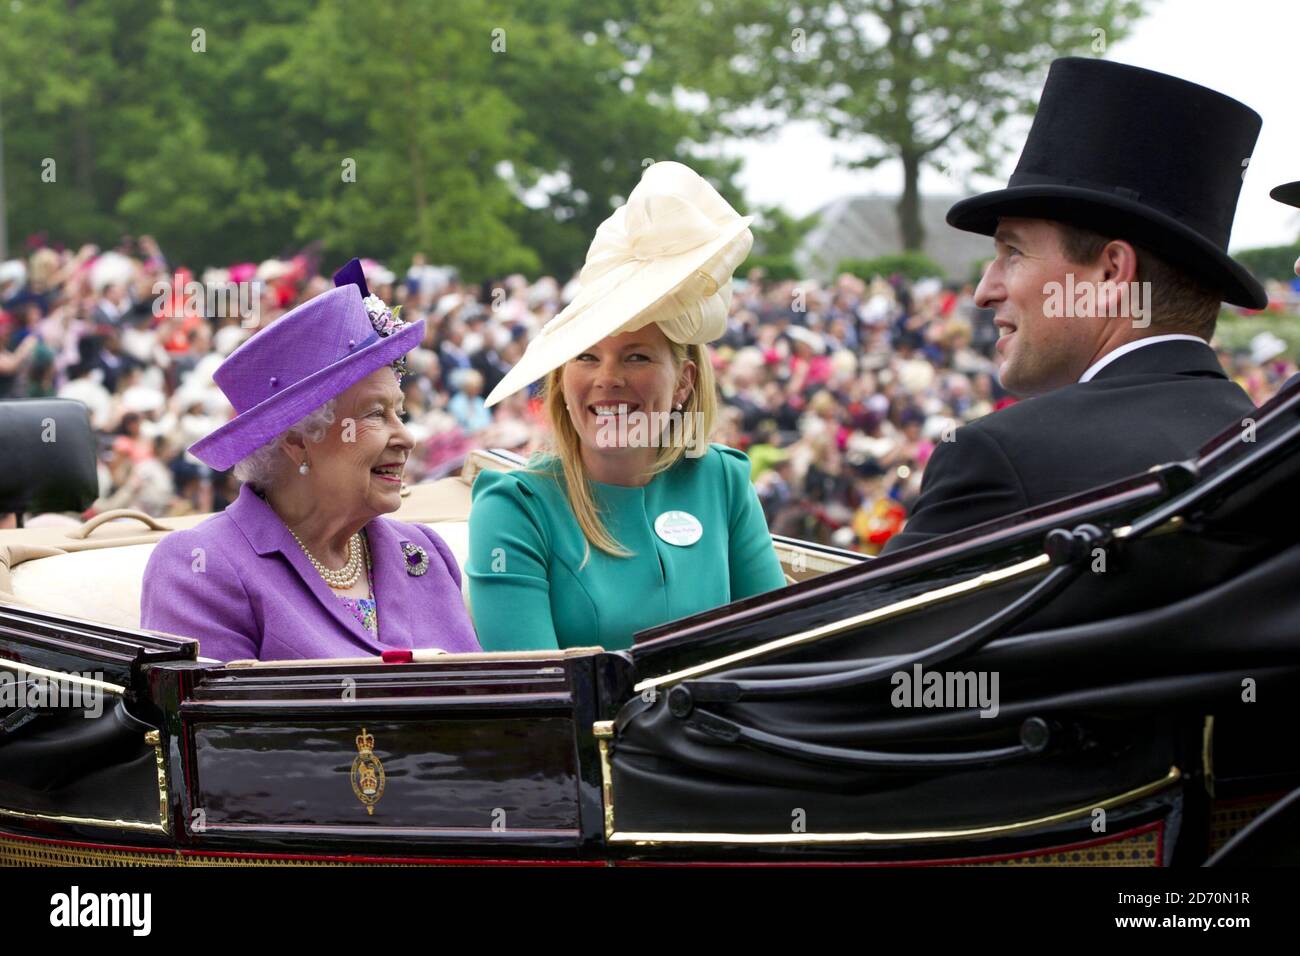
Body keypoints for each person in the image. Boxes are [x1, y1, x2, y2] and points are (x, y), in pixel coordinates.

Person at [884, 58, 1265, 553]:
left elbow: (849, 631)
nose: (984, 291)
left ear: (1109, 274)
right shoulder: (1263, 442)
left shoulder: (1005, 458)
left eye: (1013, 252)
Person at [467, 162, 787, 651]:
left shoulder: (722, 480)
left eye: (636, 357)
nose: (608, 379)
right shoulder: (515, 506)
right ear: (560, 381)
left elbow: (778, 650)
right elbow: (538, 701)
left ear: (684, 382)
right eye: (586, 356)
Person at [141, 260, 480, 661]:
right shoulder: (201, 567)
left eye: (399, 413)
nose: (406, 438)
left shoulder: (425, 552)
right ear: (298, 441)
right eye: (375, 414)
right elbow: (222, 722)